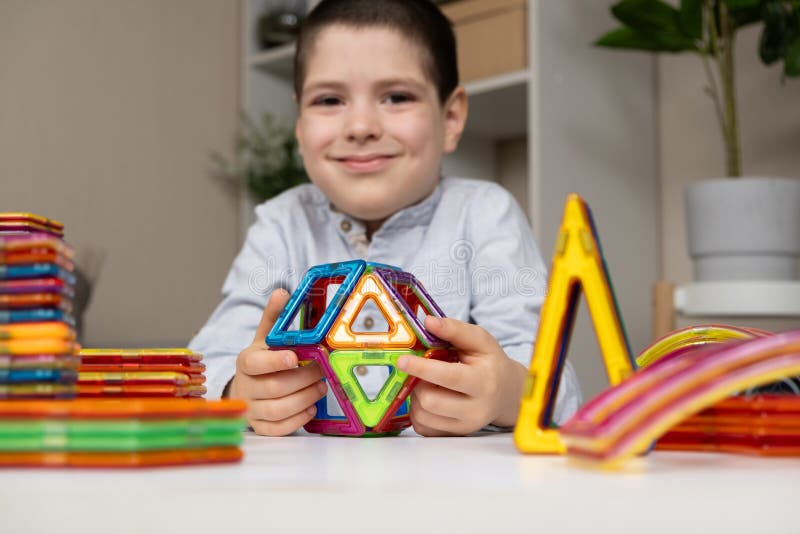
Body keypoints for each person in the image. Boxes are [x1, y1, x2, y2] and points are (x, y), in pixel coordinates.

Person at [189, 0, 581, 437]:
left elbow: (554, 378)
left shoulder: (486, 213)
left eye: (396, 97)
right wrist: (238, 391)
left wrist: (506, 392)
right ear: (300, 126)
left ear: (451, 118)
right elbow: (202, 368)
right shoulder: (282, 222)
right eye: (330, 100)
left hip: (451, 477)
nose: (360, 126)